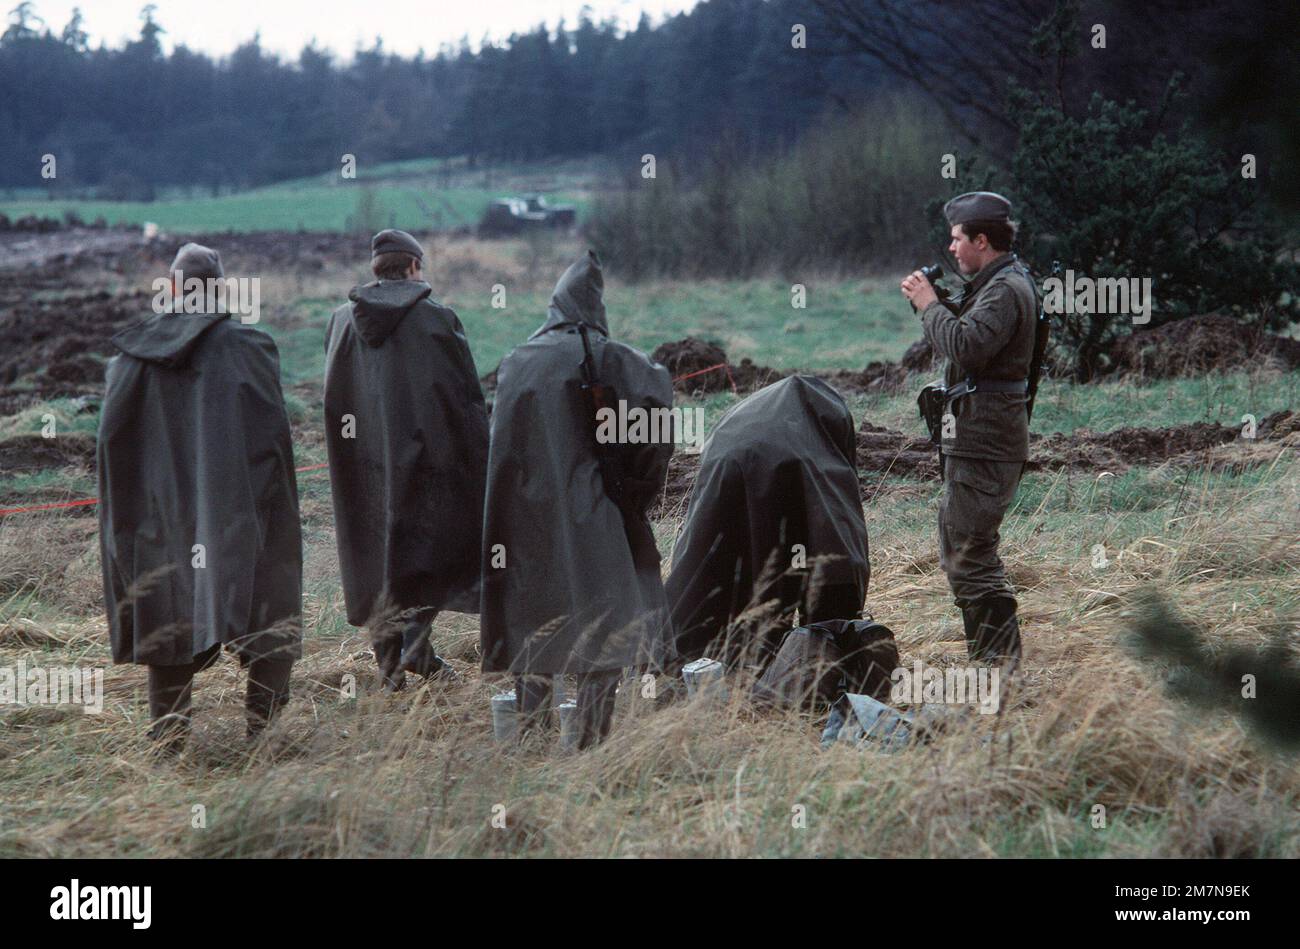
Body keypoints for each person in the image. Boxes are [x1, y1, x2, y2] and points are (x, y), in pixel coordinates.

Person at [98, 242, 302, 751]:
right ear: (220, 289)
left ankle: (170, 741)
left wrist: (131, 522)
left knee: (166, 616)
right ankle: (264, 737)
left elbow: (112, 451)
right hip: (239, 517)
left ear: (170, 288)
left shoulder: (129, 360)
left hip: (159, 520)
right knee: (268, 615)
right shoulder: (250, 348)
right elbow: (273, 442)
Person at [480, 251, 673, 748]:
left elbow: (500, 450)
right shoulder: (609, 355)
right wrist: (637, 490)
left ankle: (530, 737)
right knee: (608, 628)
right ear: (594, 305)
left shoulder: (516, 360)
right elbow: (656, 416)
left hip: (521, 518)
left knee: (533, 626)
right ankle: (588, 742)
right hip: (595, 512)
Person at [324, 229, 488, 691]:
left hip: (362, 467)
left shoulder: (341, 320)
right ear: (414, 267)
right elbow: (465, 401)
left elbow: (334, 397)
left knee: (379, 558)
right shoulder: (439, 320)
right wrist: (479, 457)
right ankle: (414, 650)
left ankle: (393, 663)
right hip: (428, 465)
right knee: (430, 555)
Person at [900, 191, 1038, 666]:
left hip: (986, 442)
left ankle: (998, 668)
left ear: (983, 240)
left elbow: (966, 346)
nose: (952, 248)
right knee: (962, 549)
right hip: (980, 439)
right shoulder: (999, 283)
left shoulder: (1004, 290)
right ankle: (994, 665)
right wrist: (939, 303)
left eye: (958, 239)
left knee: (970, 556)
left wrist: (927, 305)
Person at [665, 375, 870, 673]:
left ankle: (698, 661)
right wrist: (839, 632)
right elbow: (840, 558)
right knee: (807, 554)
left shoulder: (753, 421)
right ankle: (789, 660)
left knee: (714, 561)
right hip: (767, 461)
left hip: (730, 459)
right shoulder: (819, 451)